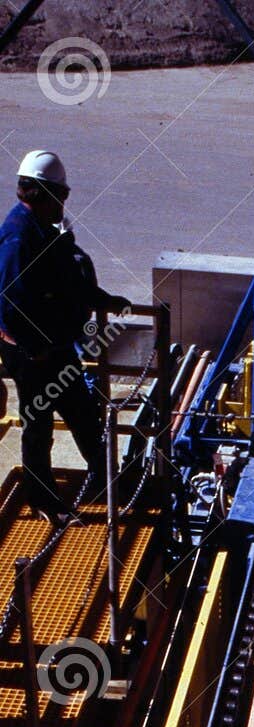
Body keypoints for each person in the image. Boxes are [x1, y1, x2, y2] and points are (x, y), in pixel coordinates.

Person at [0, 150, 129, 523]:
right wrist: (34, 348)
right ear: (42, 194)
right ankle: (45, 501)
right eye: (61, 195)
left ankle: (108, 481)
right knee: (38, 425)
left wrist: (104, 300)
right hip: (32, 353)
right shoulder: (19, 236)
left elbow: (68, 282)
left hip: (53, 347)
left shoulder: (44, 231)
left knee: (83, 413)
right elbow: (9, 302)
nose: (64, 203)